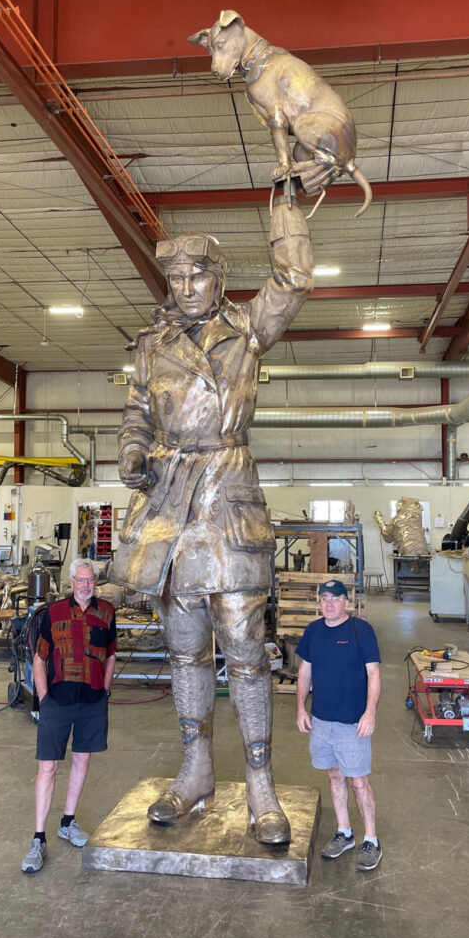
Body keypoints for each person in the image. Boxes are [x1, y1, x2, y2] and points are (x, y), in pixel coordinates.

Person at [111, 187, 314, 844]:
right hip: (169, 506)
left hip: (227, 497)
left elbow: (294, 278)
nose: (187, 285)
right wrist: (132, 450)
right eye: (175, 276)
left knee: (247, 650)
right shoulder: (151, 343)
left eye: (198, 273)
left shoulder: (248, 331)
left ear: (219, 278)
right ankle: (195, 769)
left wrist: (287, 205)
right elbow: (136, 411)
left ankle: (260, 786)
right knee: (184, 650)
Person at [21, 558, 117, 874]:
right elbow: (39, 657)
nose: (85, 585)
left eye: (90, 580)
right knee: (48, 766)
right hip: (58, 701)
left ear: (95, 583)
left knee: (82, 760)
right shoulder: (53, 613)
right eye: (80, 580)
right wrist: (44, 698)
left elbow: (111, 654)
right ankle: (38, 838)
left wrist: (104, 691)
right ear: (71, 582)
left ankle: (68, 821)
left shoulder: (107, 612)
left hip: (91, 701)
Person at [295, 578, 383, 871]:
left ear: (347, 602)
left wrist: (370, 713)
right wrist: (300, 708)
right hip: (321, 720)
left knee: (358, 781)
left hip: (351, 723)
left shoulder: (362, 631)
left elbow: (374, 674)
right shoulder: (313, 631)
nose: (328, 603)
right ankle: (344, 832)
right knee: (334, 775)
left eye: (335, 598)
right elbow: (304, 673)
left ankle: (371, 839)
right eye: (323, 598)